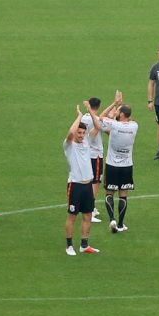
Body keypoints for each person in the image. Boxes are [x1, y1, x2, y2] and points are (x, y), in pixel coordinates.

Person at [62, 110, 100, 257]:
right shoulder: (69, 144)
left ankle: (84, 245)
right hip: (75, 185)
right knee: (72, 215)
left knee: (87, 215)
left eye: (83, 132)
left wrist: (90, 112)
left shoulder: (86, 142)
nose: (81, 135)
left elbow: (97, 127)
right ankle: (69, 245)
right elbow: (70, 133)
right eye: (79, 132)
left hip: (87, 185)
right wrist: (78, 116)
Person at [103, 103, 140, 233]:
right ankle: (120, 224)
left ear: (122, 115)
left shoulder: (114, 125)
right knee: (123, 196)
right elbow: (127, 121)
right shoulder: (134, 126)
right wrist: (118, 112)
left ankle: (112, 218)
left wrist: (113, 111)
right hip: (126, 166)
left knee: (109, 193)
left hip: (112, 165)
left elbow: (101, 117)